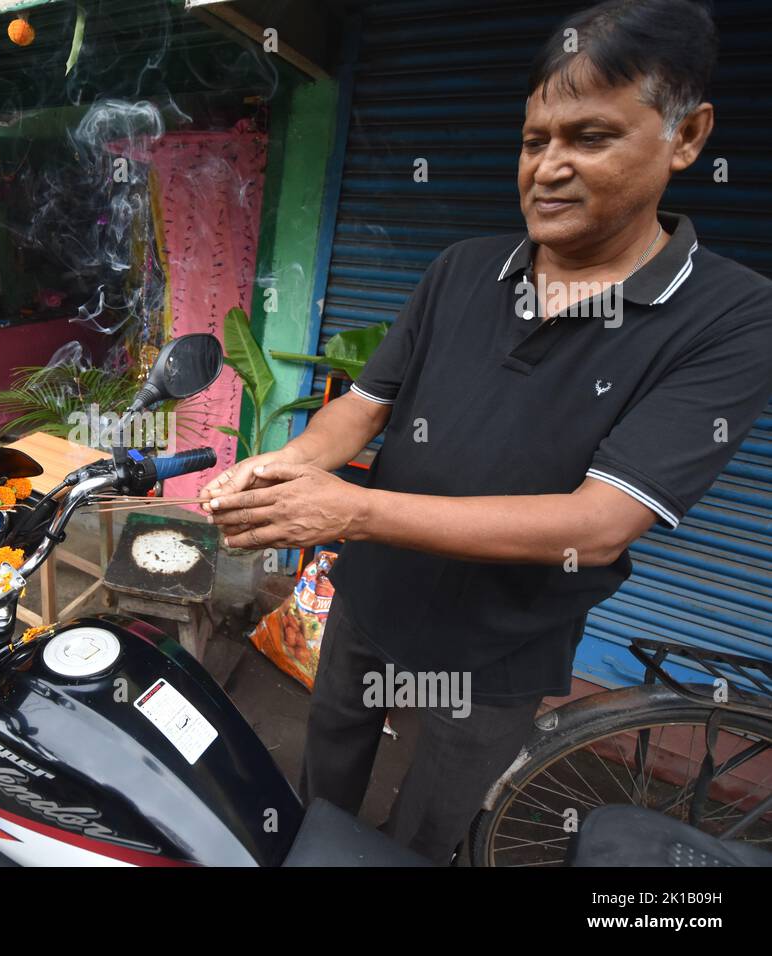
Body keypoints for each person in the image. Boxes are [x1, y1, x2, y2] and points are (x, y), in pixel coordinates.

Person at [201, 0, 772, 863]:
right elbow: (366, 405)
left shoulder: (732, 317)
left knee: (431, 823)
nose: (549, 168)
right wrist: (282, 467)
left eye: (590, 137)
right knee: (329, 764)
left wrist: (349, 511)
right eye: (534, 139)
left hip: (504, 643)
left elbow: (598, 522)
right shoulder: (461, 270)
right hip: (373, 597)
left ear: (686, 137)